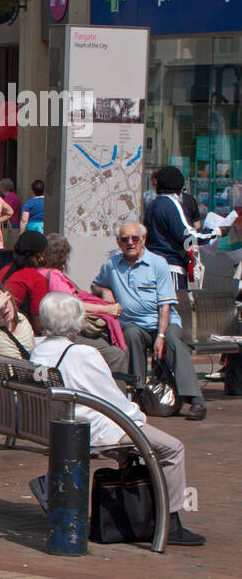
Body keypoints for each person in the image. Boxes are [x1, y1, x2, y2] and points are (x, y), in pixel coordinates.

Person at [31, 292, 204, 546]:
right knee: (172, 449)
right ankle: (170, 522)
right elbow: (114, 401)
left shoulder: (37, 351)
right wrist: (138, 416)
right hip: (93, 428)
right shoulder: (83, 353)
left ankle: (134, 515)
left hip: (59, 427)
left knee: (134, 447)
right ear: (78, 321)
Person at [91, 222, 206, 420]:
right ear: (118, 242)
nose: (130, 243)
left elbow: (165, 305)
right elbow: (95, 286)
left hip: (164, 321)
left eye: (135, 238)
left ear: (143, 240)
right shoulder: (111, 265)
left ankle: (196, 400)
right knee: (130, 333)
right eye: (125, 239)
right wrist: (104, 291)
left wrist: (160, 335)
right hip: (134, 324)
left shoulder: (158, 263)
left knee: (172, 342)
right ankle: (138, 391)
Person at [38, 233, 128, 375]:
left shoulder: (41, 272)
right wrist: (106, 309)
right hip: (67, 332)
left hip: (55, 331)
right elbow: (73, 305)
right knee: (116, 354)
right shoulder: (54, 276)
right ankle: (117, 392)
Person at [144, 166, 217, 290]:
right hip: (171, 267)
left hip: (153, 266)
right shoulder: (172, 204)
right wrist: (216, 232)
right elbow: (186, 235)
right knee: (174, 307)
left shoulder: (153, 204)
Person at [0, 230, 52, 317]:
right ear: (41, 255)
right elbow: (38, 322)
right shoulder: (37, 280)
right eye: (47, 252)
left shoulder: (4, 270)